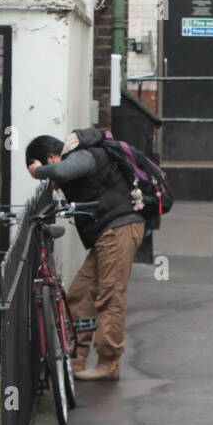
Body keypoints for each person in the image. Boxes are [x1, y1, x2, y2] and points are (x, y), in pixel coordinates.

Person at [25, 130, 145, 381]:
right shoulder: (78, 159)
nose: (53, 186)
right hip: (108, 233)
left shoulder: (82, 156)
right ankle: (76, 359)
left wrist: (38, 172)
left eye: (46, 166)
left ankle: (109, 363)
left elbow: (60, 172)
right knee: (80, 294)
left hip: (119, 229)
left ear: (51, 157)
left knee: (110, 296)